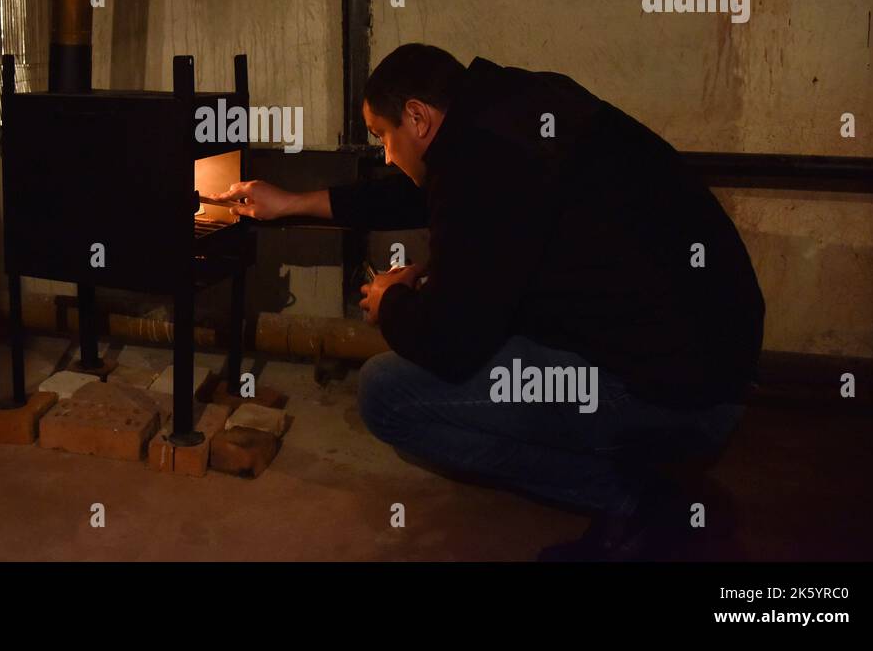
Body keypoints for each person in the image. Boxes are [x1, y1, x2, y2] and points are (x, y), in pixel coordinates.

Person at [208, 44, 764, 560]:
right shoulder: (501, 110)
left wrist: (393, 301)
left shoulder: (483, 167)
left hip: (682, 396)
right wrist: (291, 203)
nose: (384, 152)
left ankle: (634, 500)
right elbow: (430, 194)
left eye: (382, 135)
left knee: (387, 393)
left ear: (419, 118)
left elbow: (450, 345)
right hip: (713, 355)